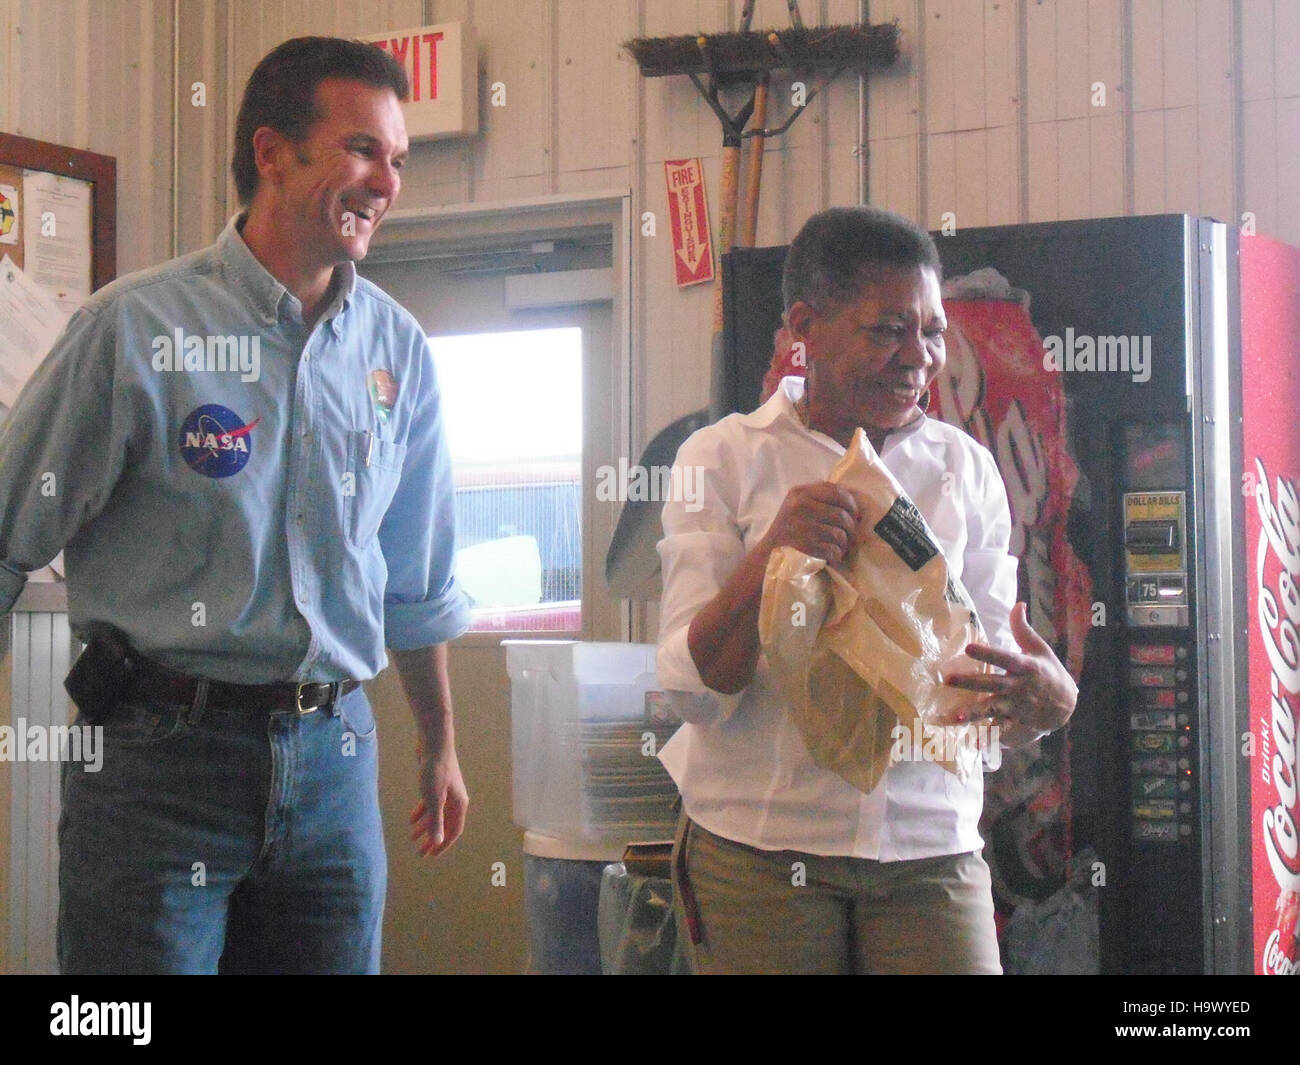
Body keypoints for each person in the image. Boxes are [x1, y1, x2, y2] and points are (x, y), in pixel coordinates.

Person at [0, 36, 471, 974]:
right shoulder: (131, 330)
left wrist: (441, 744)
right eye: (362, 150)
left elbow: (416, 582)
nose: (386, 182)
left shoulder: (398, 352)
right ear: (271, 152)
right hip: (155, 765)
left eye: (398, 160)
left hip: (336, 756)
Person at [655, 205, 1078, 975]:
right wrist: (770, 556)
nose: (919, 357)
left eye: (933, 331)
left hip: (929, 844)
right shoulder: (722, 458)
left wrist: (1046, 703)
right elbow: (694, 692)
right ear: (806, 328)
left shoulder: (966, 468)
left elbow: (984, 690)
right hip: (760, 844)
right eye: (888, 330)